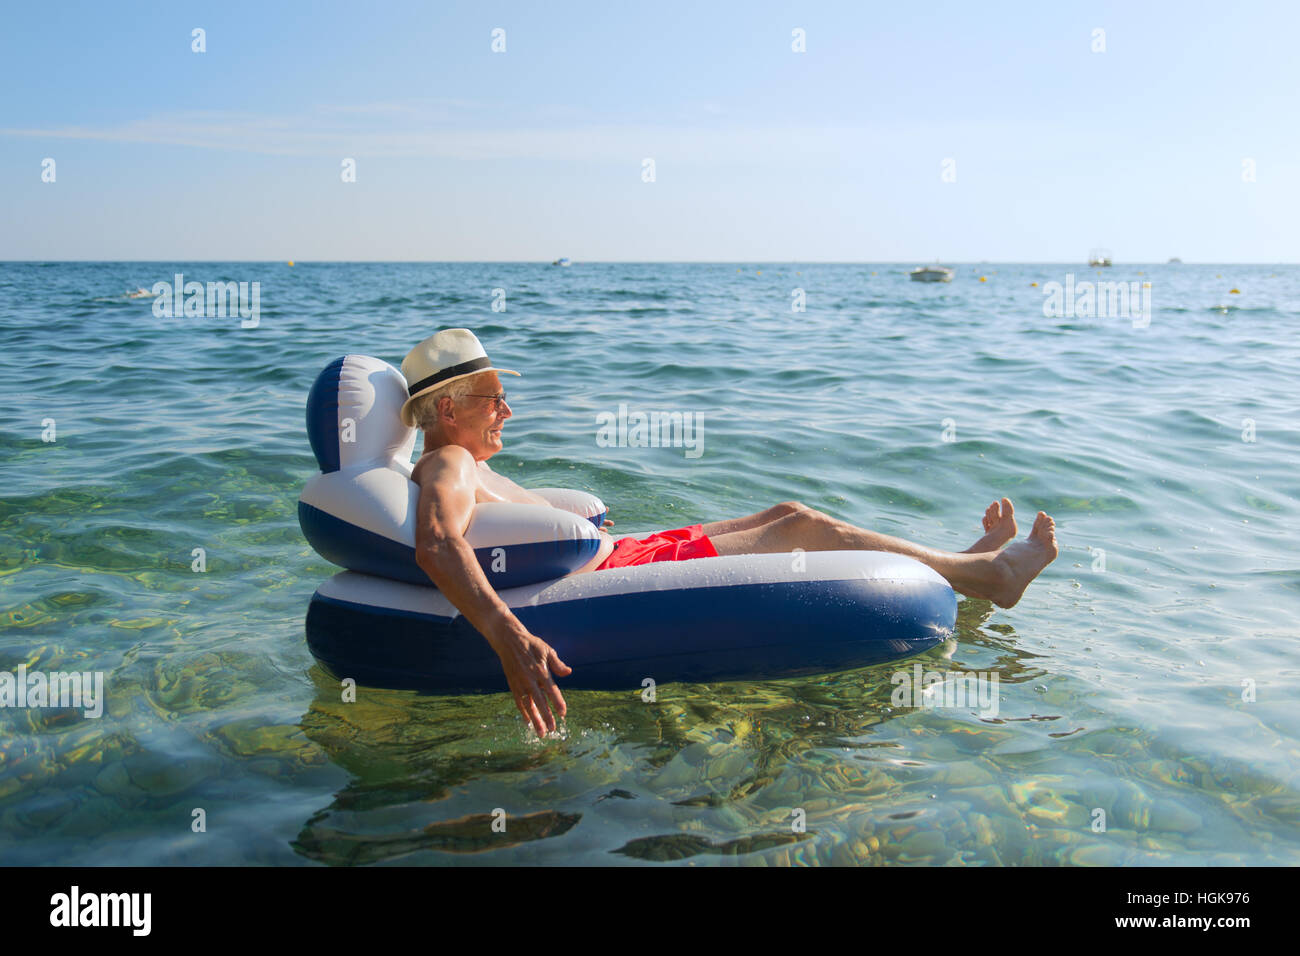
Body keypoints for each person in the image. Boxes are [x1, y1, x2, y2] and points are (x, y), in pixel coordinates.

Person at [403, 329, 1058, 738]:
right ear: (450, 408)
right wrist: (509, 636)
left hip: (628, 551)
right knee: (803, 525)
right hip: (618, 573)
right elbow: (436, 543)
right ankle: (993, 578)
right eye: (494, 399)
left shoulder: (460, 461)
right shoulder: (450, 462)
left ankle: (966, 567)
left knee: (787, 512)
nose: (508, 411)